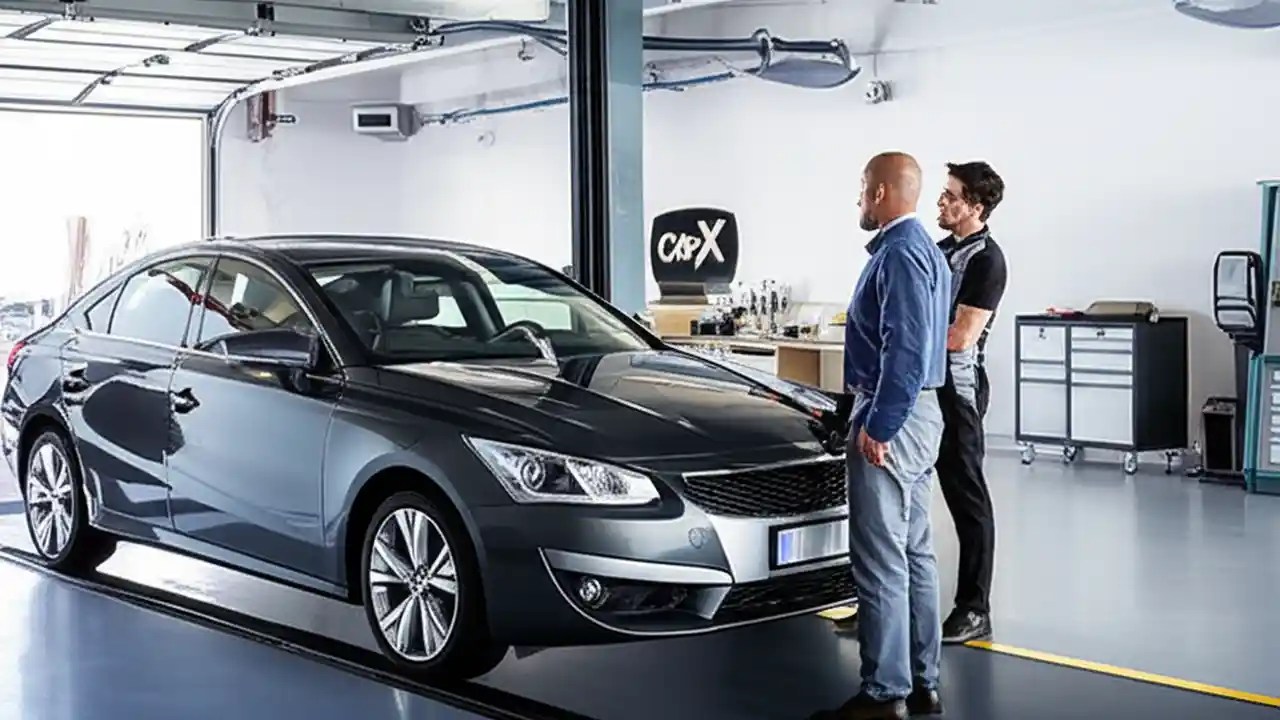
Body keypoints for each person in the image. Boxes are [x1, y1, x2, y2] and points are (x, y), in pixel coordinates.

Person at [816, 152, 950, 720]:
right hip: (925, 415)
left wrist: (878, 423)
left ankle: (884, 693)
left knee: (879, 560)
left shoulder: (896, 254)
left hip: (895, 416)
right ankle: (924, 683)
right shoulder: (929, 253)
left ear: (880, 193)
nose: (859, 201)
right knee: (916, 551)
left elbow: (908, 348)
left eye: (863, 189)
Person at [933, 161, 1008, 645]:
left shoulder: (987, 260)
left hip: (957, 390)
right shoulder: (940, 250)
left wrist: (901, 340)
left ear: (975, 207)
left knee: (967, 499)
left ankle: (974, 608)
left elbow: (960, 338)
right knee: (900, 498)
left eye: (951, 196)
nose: (940, 202)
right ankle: (888, 603)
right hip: (921, 386)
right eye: (942, 194)